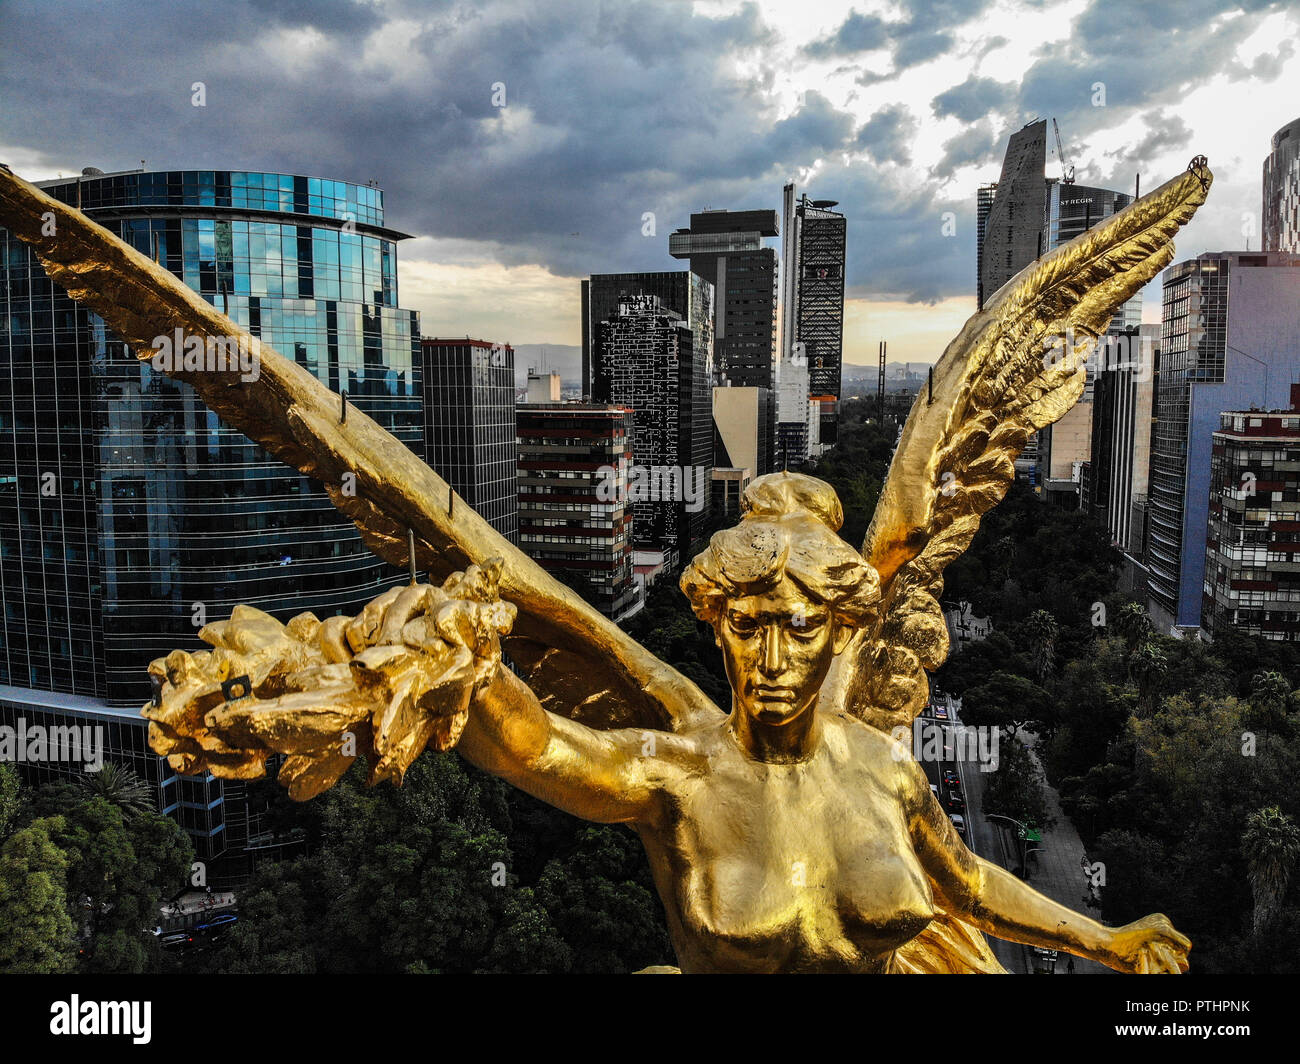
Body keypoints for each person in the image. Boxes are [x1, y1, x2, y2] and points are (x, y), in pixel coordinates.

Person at [453, 473, 1190, 974]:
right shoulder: (674, 774)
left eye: (800, 630)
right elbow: (535, 748)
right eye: (747, 626)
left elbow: (967, 885)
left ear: (841, 633)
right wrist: (471, 662)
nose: (770, 660)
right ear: (718, 628)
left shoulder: (887, 770)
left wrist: (1108, 942)